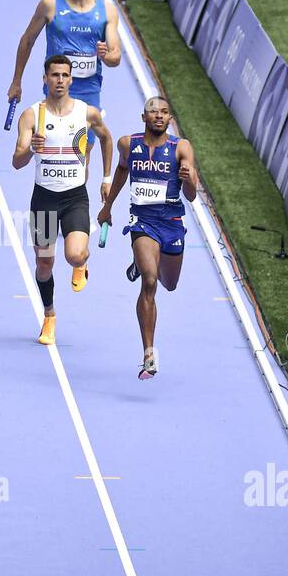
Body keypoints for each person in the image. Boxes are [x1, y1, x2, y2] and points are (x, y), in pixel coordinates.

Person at [12, 55, 114, 345]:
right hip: (44, 198)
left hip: (74, 198)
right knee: (44, 265)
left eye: (64, 75)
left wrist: (106, 178)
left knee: (74, 255)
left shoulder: (86, 112)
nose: (59, 80)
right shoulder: (32, 115)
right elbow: (17, 162)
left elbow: (106, 139)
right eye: (54, 75)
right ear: (45, 79)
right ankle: (49, 316)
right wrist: (31, 149)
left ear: (71, 79)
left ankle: (82, 262)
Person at [96, 97, 197, 379]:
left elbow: (192, 195)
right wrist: (107, 207)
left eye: (164, 113)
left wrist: (188, 178)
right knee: (150, 280)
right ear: (144, 117)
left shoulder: (181, 148)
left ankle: (142, 262)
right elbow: (122, 170)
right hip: (143, 222)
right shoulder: (128, 144)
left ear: (170, 119)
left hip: (172, 224)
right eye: (154, 112)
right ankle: (149, 353)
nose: (159, 116)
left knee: (169, 284)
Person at [6, 0, 121, 111]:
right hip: (56, 89)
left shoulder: (107, 11)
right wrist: (16, 81)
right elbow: (27, 41)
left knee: (85, 137)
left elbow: (115, 57)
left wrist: (105, 56)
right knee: (55, 136)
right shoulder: (50, 5)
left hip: (90, 92)